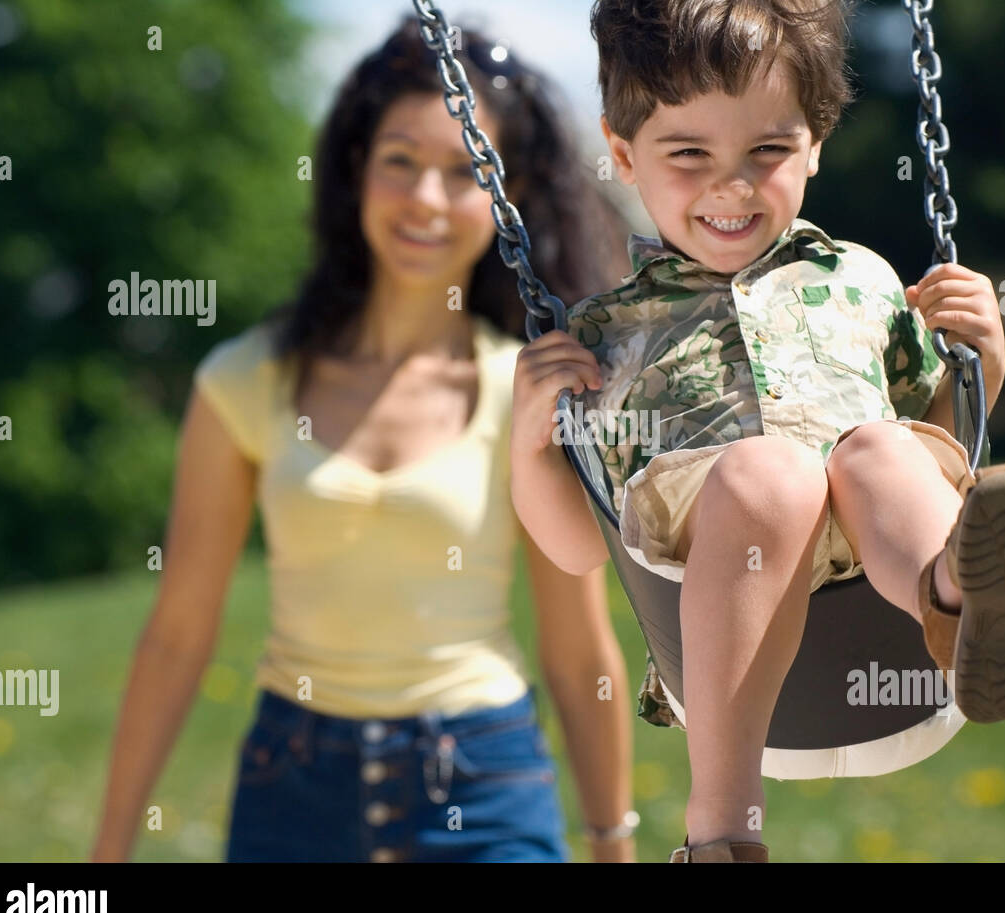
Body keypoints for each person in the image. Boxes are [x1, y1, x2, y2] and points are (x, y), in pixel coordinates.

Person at [511, 0, 1005, 862]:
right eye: (689, 154)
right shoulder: (600, 333)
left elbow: (938, 435)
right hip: (714, 562)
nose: (731, 185)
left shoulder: (865, 280)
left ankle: (960, 601)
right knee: (770, 474)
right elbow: (580, 549)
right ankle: (722, 831)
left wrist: (980, 368)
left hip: (873, 564)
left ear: (814, 141)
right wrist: (529, 440)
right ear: (622, 155)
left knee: (882, 447)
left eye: (766, 151)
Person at [92, 18, 640, 863]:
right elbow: (176, 634)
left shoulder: (527, 390)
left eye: (465, 173)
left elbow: (577, 652)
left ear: (510, 192)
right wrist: (109, 851)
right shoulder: (245, 381)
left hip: (483, 782)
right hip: (293, 786)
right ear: (355, 169)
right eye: (399, 162)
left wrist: (612, 844)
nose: (425, 198)